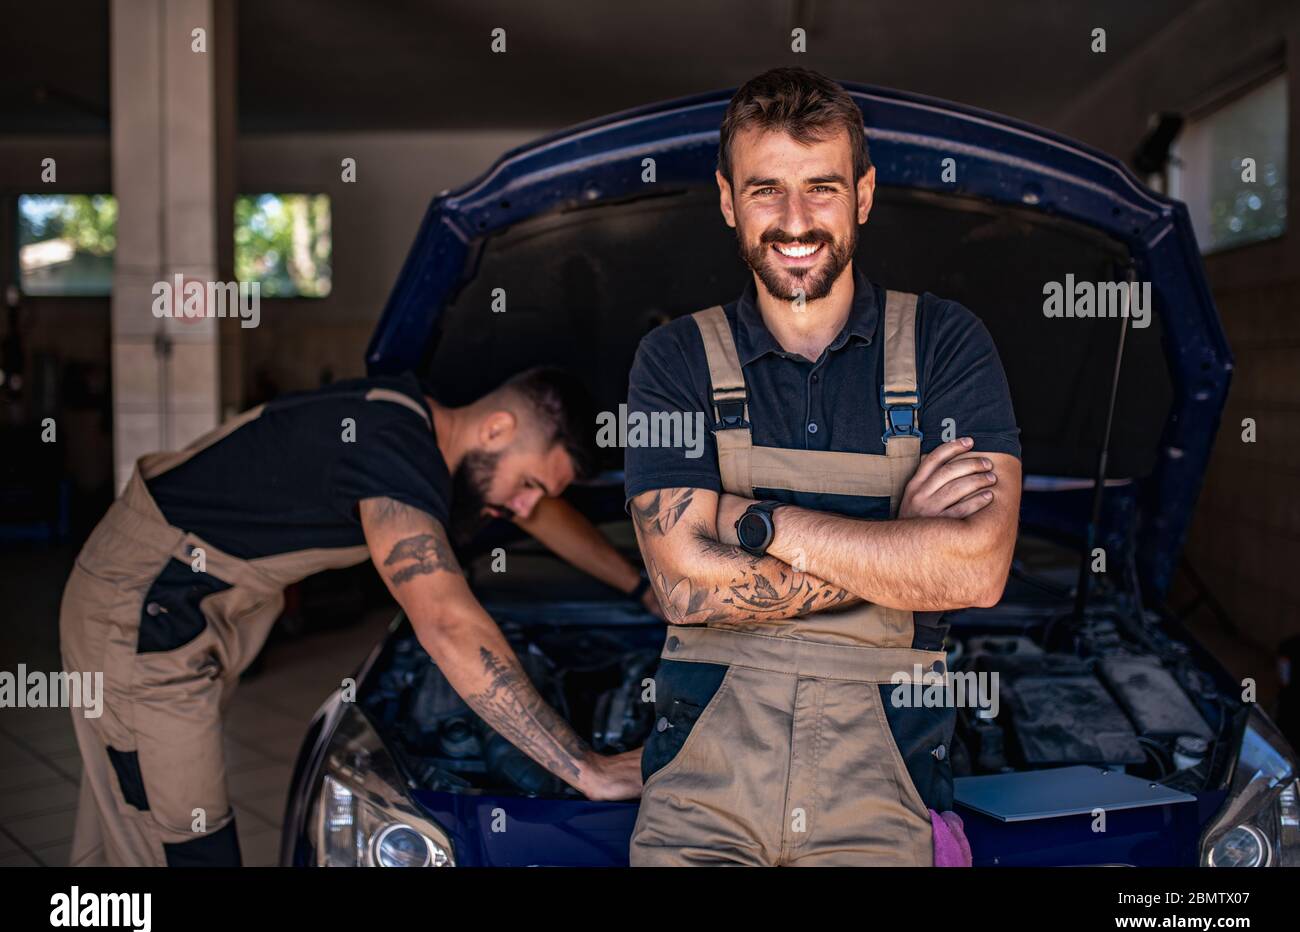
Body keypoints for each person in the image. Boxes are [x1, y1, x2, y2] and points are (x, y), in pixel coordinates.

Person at [624, 67, 1022, 865]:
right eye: (766, 189)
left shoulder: (946, 344)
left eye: (823, 188)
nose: (796, 221)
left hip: (885, 789)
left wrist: (753, 521)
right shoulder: (675, 359)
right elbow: (680, 587)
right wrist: (905, 544)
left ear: (864, 195)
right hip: (702, 793)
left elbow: (977, 573)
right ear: (730, 200)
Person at [60, 365, 643, 866]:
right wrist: (585, 769)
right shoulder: (391, 449)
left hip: (182, 607)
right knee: (184, 841)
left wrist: (641, 586)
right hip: (144, 610)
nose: (522, 506)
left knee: (128, 809)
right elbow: (444, 622)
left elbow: (538, 516)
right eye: (529, 484)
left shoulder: (411, 423)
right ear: (497, 428)